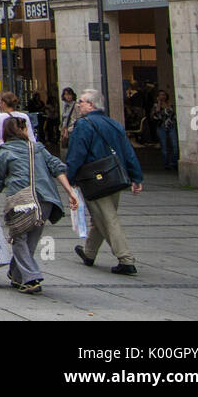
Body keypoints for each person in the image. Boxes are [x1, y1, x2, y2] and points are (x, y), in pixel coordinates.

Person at [0, 115, 77, 294]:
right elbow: (56, 167)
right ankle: (17, 276)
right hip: (46, 200)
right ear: (23, 131)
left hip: (21, 201)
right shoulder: (38, 148)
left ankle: (32, 277)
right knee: (30, 239)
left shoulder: (3, 153)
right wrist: (70, 192)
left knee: (19, 238)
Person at [64, 88, 144, 275]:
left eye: (82, 101)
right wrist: (136, 177)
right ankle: (89, 252)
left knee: (108, 219)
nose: (78, 104)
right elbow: (128, 152)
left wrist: (69, 179)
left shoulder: (83, 125)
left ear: (91, 104)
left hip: (94, 179)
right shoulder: (113, 123)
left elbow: (76, 154)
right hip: (115, 177)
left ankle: (126, 259)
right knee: (101, 216)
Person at [0, 92, 36, 161]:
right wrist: (34, 151)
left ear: (3, 103)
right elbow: (30, 136)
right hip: (23, 151)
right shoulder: (24, 116)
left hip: (5, 150)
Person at [151, 90, 178, 171]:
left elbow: (174, 115)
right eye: (161, 95)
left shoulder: (170, 105)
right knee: (164, 147)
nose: (163, 96)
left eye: (164, 95)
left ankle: (174, 163)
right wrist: (159, 102)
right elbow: (156, 114)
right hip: (161, 127)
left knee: (175, 145)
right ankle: (166, 164)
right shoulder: (155, 105)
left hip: (171, 126)